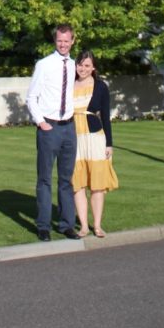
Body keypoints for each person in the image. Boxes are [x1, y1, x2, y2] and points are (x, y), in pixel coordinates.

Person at [25, 24, 81, 241]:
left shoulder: (75, 65)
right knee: (45, 179)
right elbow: (31, 97)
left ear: (72, 41)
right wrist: (41, 122)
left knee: (66, 180)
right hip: (50, 127)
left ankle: (67, 225)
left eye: (66, 41)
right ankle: (43, 226)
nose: (63, 44)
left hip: (69, 127)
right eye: (59, 41)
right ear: (55, 41)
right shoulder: (44, 65)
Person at [71, 50, 118, 237]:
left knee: (97, 184)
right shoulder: (68, 85)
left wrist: (109, 144)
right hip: (74, 138)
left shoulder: (100, 87)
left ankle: (97, 225)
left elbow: (105, 116)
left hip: (95, 138)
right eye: (80, 65)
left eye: (87, 65)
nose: (83, 69)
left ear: (93, 68)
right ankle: (83, 226)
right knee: (78, 183)